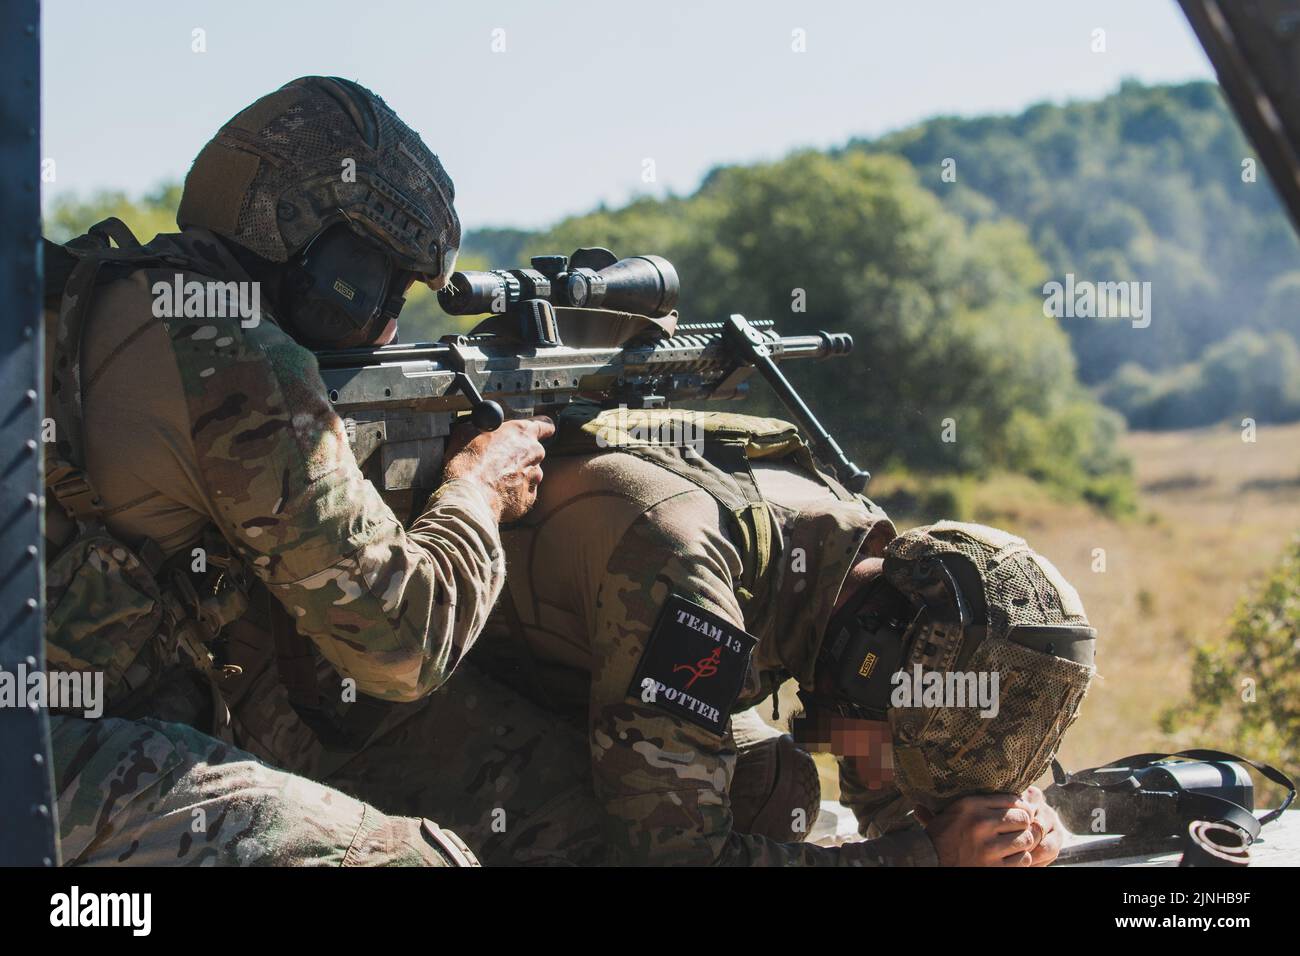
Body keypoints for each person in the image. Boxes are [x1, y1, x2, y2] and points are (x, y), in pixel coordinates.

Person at [43, 76, 552, 866]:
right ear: (315, 247)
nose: (384, 329)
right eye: (377, 285)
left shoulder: (96, 292)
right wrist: (478, 487)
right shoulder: (229, 348)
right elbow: (400, 643)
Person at [324, 406, 1097, 866]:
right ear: (873, 664)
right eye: (907, 749)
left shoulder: (859, 563)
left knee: (776, 786)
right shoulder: (687, 563)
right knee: (630, 829)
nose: (892, 771)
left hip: (551, 675)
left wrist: (991, 829)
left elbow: (879, 761)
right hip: (350, 700)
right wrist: (921, 859)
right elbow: (677, 857)